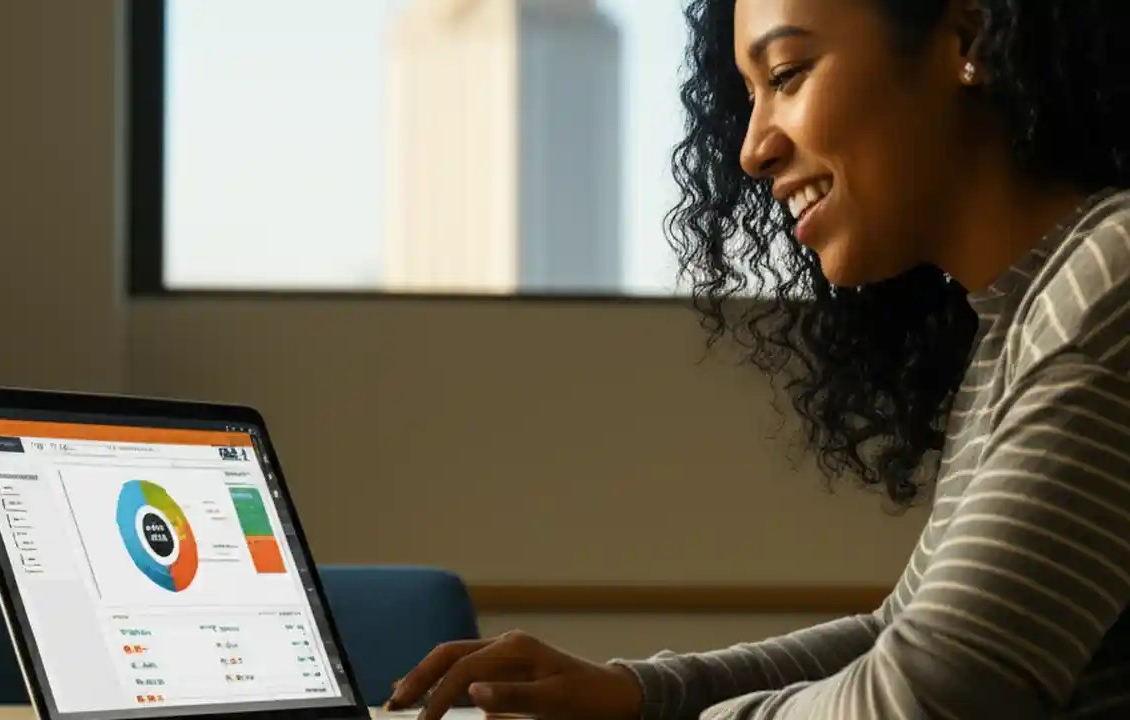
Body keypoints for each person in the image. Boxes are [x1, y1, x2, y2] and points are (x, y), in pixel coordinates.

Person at [383, 0, 1130, 717]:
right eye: (748, 92)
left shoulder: (1108, 287)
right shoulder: (1026, 312)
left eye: (787, 74)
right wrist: (637, 695)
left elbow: (927, 700)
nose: (752, 147)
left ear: (966, 39)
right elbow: (903, 632)